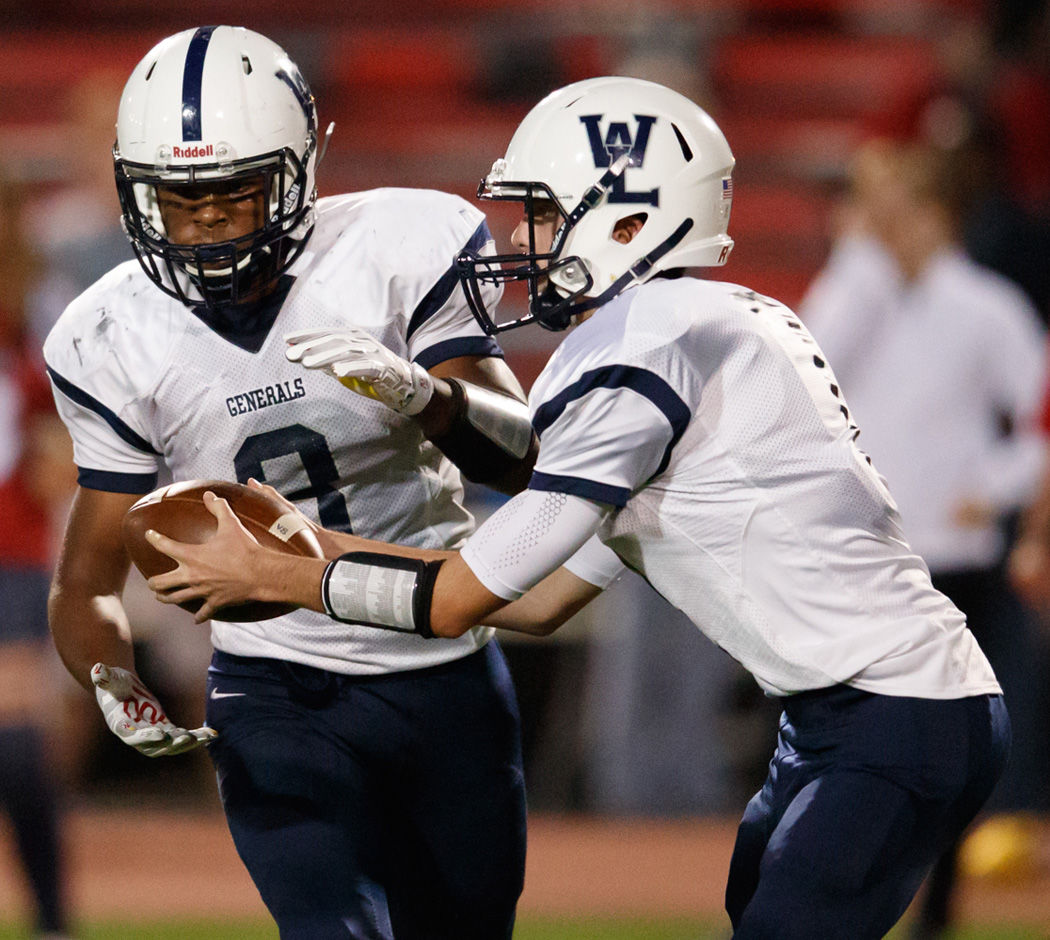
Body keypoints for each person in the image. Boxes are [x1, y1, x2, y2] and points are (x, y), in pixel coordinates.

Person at [145, 76, 1012, 940]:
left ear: (630, 225)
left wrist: (284, 573)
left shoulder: (646, 344)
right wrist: (326, 529)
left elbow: (458, 599)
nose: (521, 237)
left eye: (545, 213)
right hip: (850, 715)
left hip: (896, 710)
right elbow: (539, 598)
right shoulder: (696, 326)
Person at [37, 25, 617, 940]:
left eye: (232, 193)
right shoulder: (109, 334)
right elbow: (87, 576)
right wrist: (109, 675)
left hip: (441, 668)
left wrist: (426, 397)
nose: (204, 223)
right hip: (273, 685)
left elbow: (523, 460)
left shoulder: (398, 246)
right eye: (178, 200)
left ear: (299, 169)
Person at [799, 139, 1049, 939]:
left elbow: (1040, 418)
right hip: (865, 550)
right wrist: (859, 267)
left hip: (953, 558)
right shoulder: (859, 296)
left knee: (939, 746)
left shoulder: (987, 308)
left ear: (938, 215)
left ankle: (932, 912)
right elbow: (805, 369)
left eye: (900, 211)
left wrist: (995, 487)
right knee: (836, 734)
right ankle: (807, 898)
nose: (885, 227)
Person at [0, 171, 77, 940]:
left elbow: (63, 448)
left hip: (11, 553)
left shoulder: (40, 309)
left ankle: (52, 920)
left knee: (18, 751)